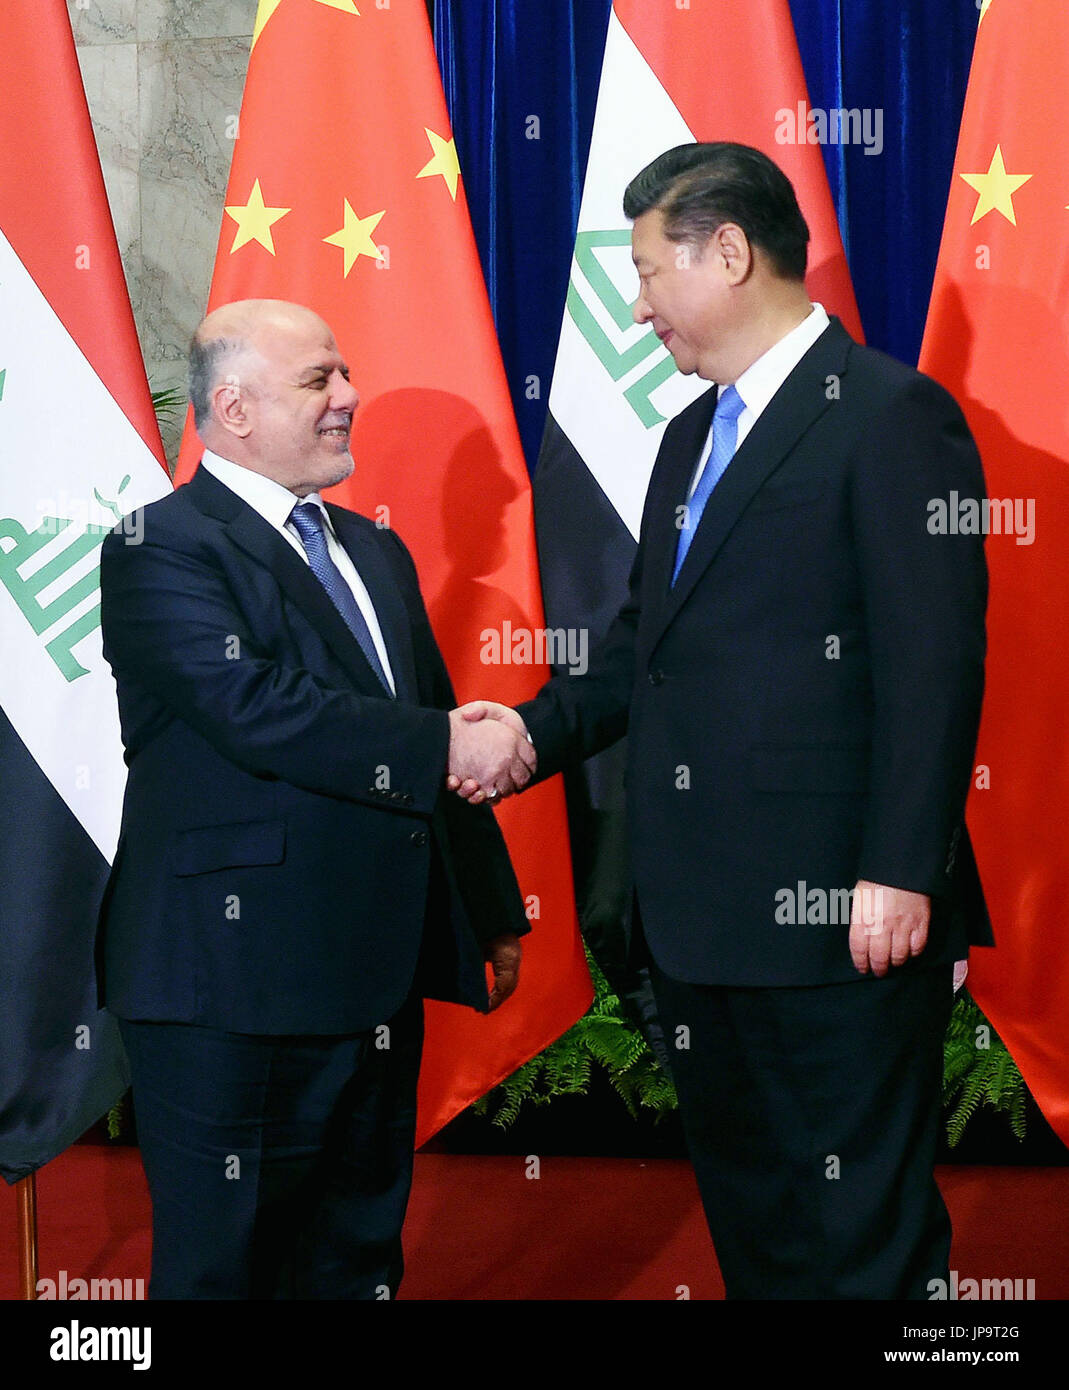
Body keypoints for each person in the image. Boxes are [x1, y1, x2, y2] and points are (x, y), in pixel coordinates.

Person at [451, 144, 992, 1298]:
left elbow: (932, 668)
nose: (638, 309)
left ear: (731, 253)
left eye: (648, 273)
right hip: (701, 924)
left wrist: (899, 870)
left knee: (863, 1240)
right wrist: (529, 735)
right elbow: (649, 652)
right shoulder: (688, 439)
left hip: (845, 920)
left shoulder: (894, 417)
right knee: (761, 1232)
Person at [96, 298, 536, 1299]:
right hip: (226, 985)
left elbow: (417, 718)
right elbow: (256, 708)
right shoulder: (158, 544)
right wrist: (446, 740)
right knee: (226, 1268)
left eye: (343, 376)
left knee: (355, 1257)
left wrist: (489, 906)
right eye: (319, 381)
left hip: (367, 976)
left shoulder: (369, 549)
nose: (349, 398)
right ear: (234, 408)